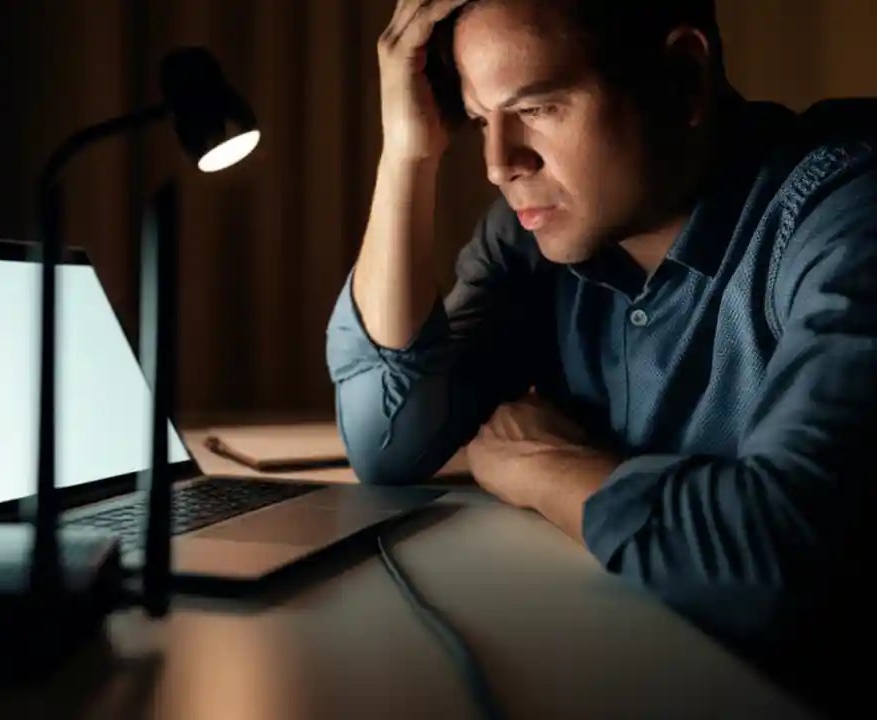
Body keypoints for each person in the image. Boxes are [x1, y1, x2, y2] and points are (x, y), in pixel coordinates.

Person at [327, 0, 875, 714]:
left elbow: (772, 565)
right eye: (479, 118)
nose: (499, 164)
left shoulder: (845, 212)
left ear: (683, 79)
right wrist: (408, 153)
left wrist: (551, 469)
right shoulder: (534, 237)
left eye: (540, 108)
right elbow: (387, 442)